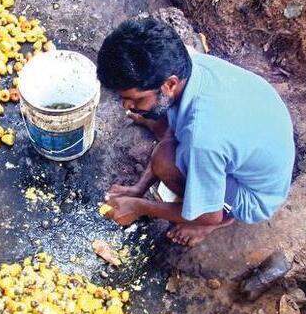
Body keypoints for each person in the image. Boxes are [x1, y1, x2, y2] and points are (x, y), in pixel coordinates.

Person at [97, 17, 295, 246]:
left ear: (169, 84)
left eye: (133, 99)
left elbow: (209, 211)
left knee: (164, 161)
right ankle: (154, 118)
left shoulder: (204, 139)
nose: (126, 106)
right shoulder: (187, 62)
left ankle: (223, 219)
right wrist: (139, 188)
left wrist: (140, 207)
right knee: (161, 123)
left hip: (254, 195)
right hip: (253, 135)